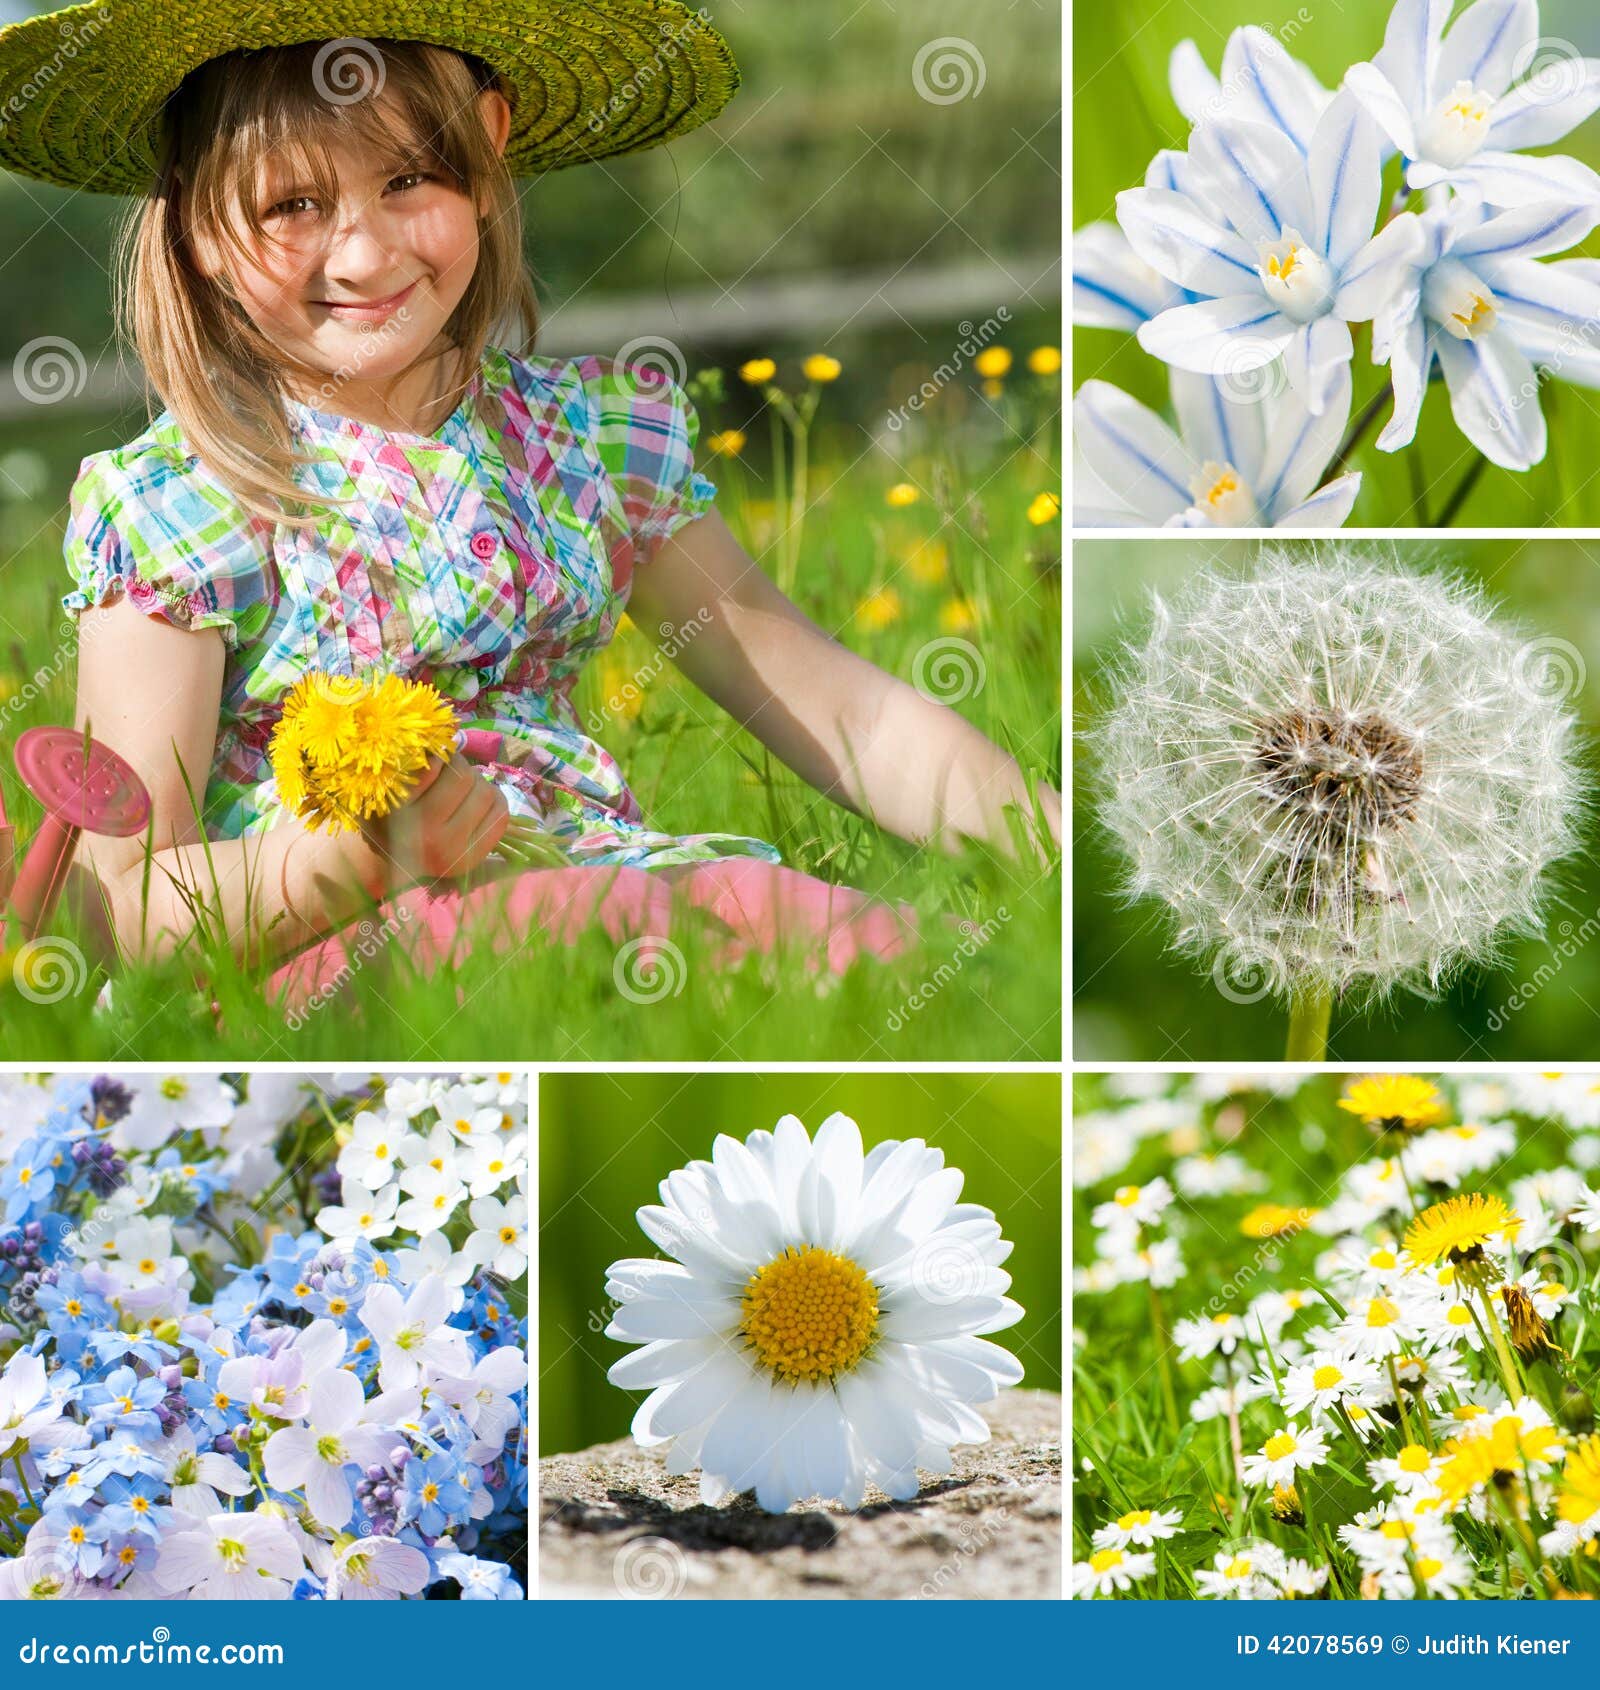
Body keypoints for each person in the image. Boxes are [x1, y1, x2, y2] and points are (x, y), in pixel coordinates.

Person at [0, 4, 1059, 992]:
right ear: (197, 229)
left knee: (835, 933)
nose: (366, 253)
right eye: (293, 204)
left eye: (411, 179)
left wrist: (1054, 846)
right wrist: (353, 860)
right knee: (610, 918)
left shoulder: (585, 443)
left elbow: (848, 711)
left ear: (490, 152)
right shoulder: (183, 507)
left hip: (612, 879)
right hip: (346, 955)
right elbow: (126, 909)